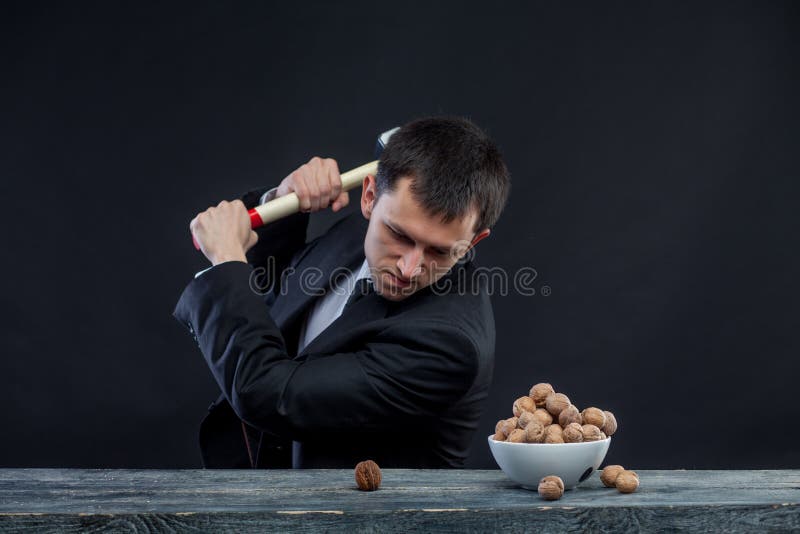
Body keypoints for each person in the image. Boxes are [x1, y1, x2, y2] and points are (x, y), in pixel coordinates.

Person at [174, 116, 511, 468]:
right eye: (399, 235)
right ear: (369, 198)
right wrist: (282, 201)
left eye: (440, 251)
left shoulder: (448, 346)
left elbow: (269, 393)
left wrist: (227, 259)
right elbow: (268, 292)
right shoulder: (356, 233)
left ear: (473, 242)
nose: (409, 268)